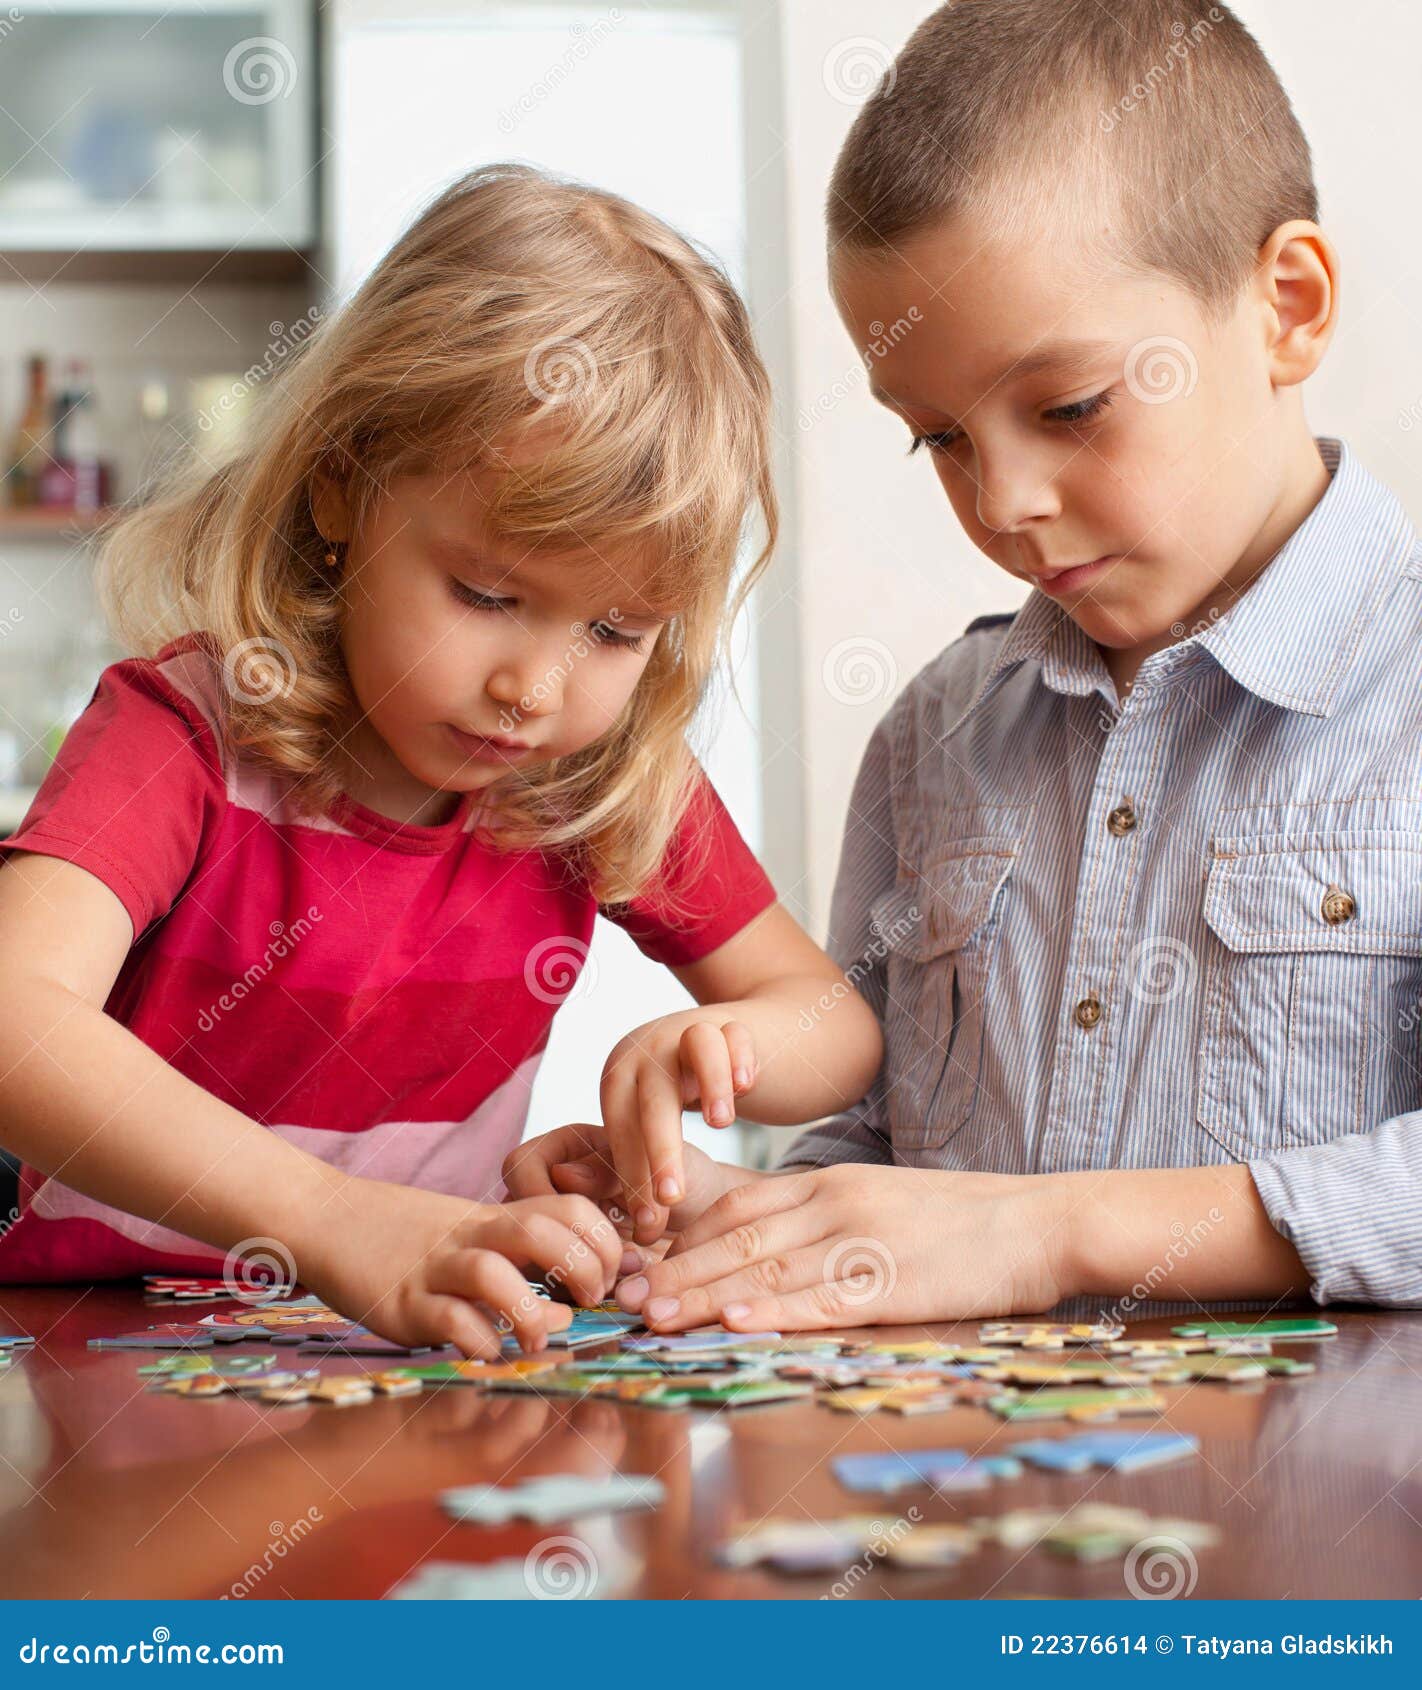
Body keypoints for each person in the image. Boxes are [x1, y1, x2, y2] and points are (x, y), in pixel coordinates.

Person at [512, 0, 1422, 1328]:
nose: (1000, 499)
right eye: (935, 436)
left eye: (1067, 407)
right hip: (972, 1521)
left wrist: (1050, 1234)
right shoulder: (937, 732)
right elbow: (882, 1165)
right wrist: (713, 1216)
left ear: (1284, 308)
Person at [0, 165, 882, 1357]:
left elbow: (837, 1027)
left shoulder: (594, 780)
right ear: (339, 487)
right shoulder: (188, 734)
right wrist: (329, 1221)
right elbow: (16, 1019)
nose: (534, 687)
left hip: (402, 1370)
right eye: (485, 593)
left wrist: (719, 1049)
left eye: (615, 633)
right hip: (84, 1354)